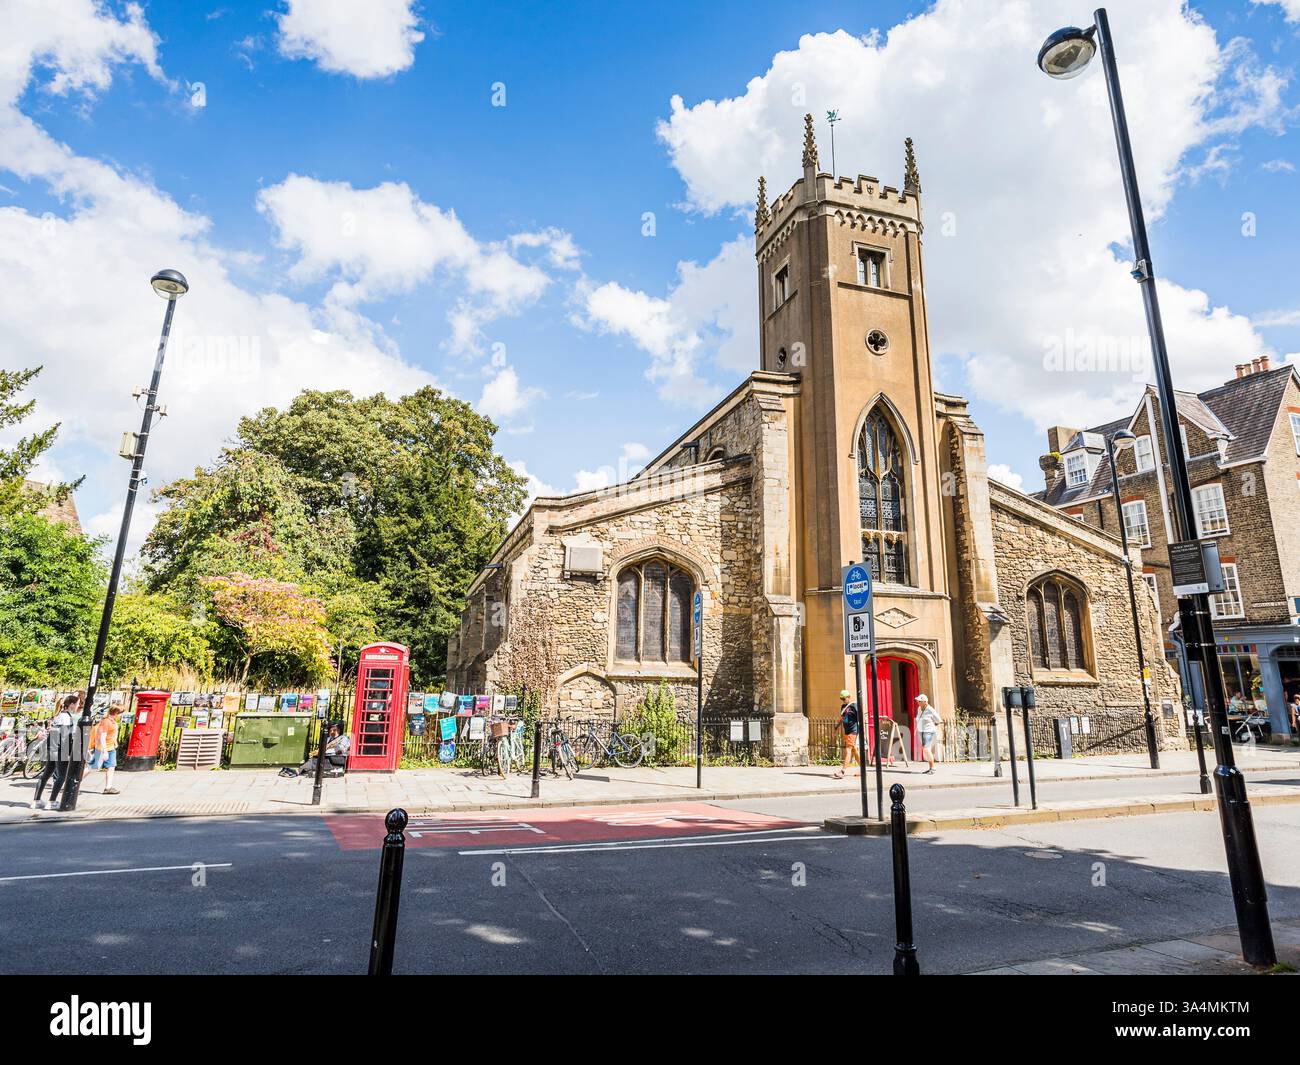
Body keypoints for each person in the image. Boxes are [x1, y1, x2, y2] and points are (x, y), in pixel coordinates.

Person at [33, 694, 78, 810]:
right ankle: (51, 802)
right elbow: (65, 736)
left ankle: (36, 800)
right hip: (60, 749)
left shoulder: (58, 716)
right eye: (77, 703)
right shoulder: (67, 718)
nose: (78, 705)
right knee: (62, 776)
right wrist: (67, 753)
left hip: (51, 747)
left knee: (46, 774)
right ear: (72, 704)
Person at [283, 722, 350, 778]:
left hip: (336, 758)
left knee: (314, 761)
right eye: (331, 730)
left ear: (339, 730)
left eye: (334, 730)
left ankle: (297, 772)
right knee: (314, 759)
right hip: (328, 756)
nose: (332, 732)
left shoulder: (343, 738)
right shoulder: (329, 738)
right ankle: (300, 770)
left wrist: (322, 752)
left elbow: (339, 750)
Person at [87, 704, 124, 795]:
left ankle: (108, 788)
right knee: (93, 767)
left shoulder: (113, 722)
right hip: (103, 748)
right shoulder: (106, 722)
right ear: (115, 713)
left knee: (111, 767)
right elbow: (102, 738)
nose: (121, 715)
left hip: (111, 748)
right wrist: (105, 751)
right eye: (120, 713)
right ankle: (75, 782)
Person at [833, 690, 861, 779]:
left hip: (853, 730)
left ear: (849, 697)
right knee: (853, 750)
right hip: (847, 731)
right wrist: (835, 728)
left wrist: (861, 731)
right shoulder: (843, 707)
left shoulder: (854, 706)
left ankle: (842, 771)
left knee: (848, 750)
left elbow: (859, 718)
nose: (843, 700)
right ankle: (862, 769)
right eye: (841, 699)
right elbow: (842, 718)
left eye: (844, 698)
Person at [915, 694, 942, 775]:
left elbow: (938, 720)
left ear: (925, 702)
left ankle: (933, 768)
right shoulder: (919, 709)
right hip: (922, 731)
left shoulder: (930, 710)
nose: (918, 702)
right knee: (926, 750)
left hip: (929, 731)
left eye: (919, 701)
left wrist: (932, 726)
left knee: (926, 749)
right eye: (917, 701)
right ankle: (930, 768)